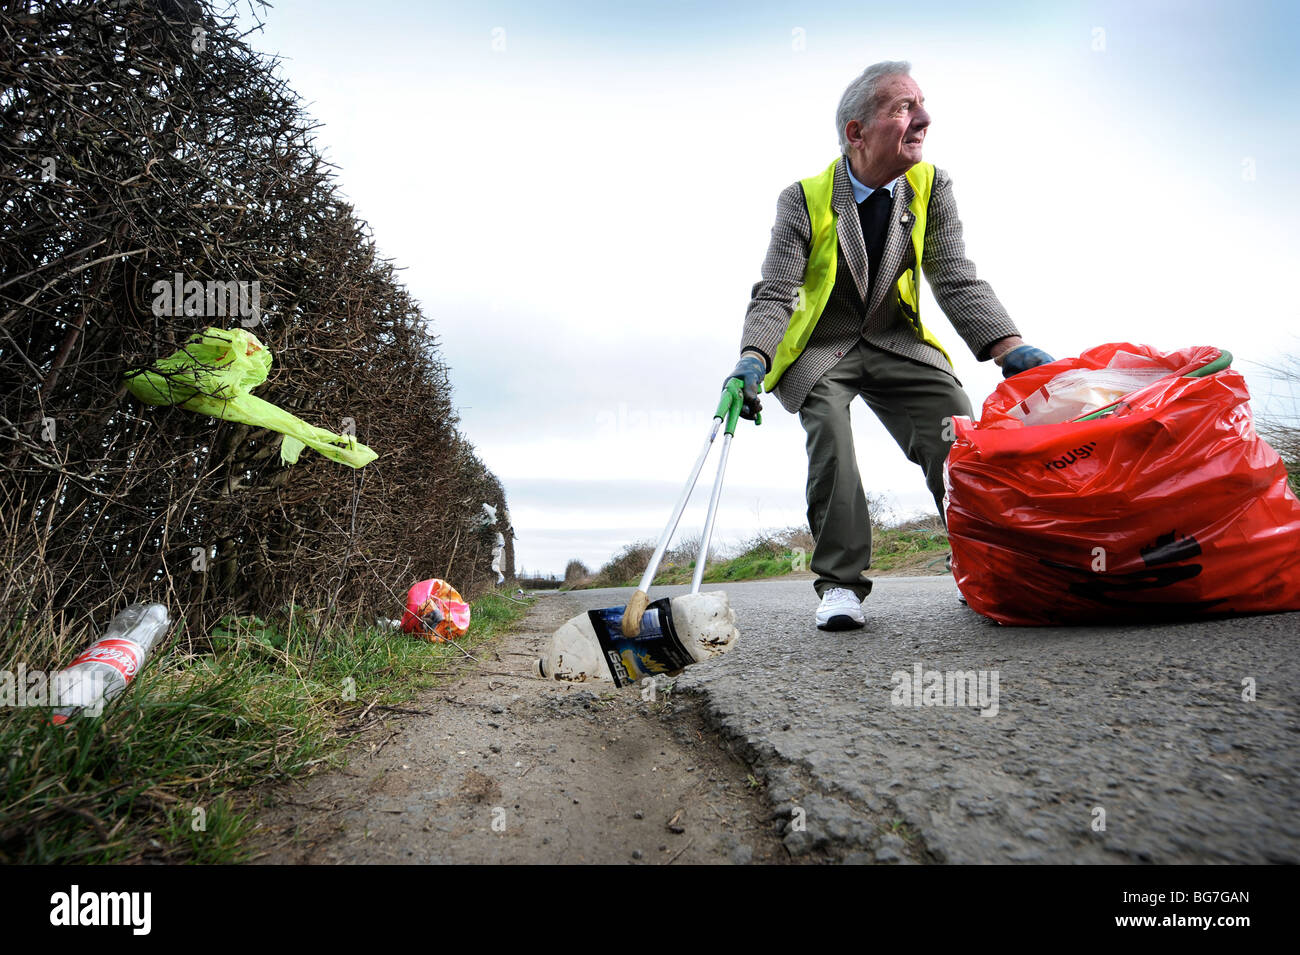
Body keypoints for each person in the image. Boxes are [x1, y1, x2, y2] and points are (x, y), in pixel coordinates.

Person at [728, 61, 1053, 631]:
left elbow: (953, 272)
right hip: (822, 349)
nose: (924, 118)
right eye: (903, 108)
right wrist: (753, 359)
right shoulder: (802, 199)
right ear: (856, 132)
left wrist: (1008, 346)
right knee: (829, 434)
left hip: (895, 338)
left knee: (956, 431)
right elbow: (777, 290)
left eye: (922, 104)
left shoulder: (932, 186)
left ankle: (977, 565)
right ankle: (840, 585)